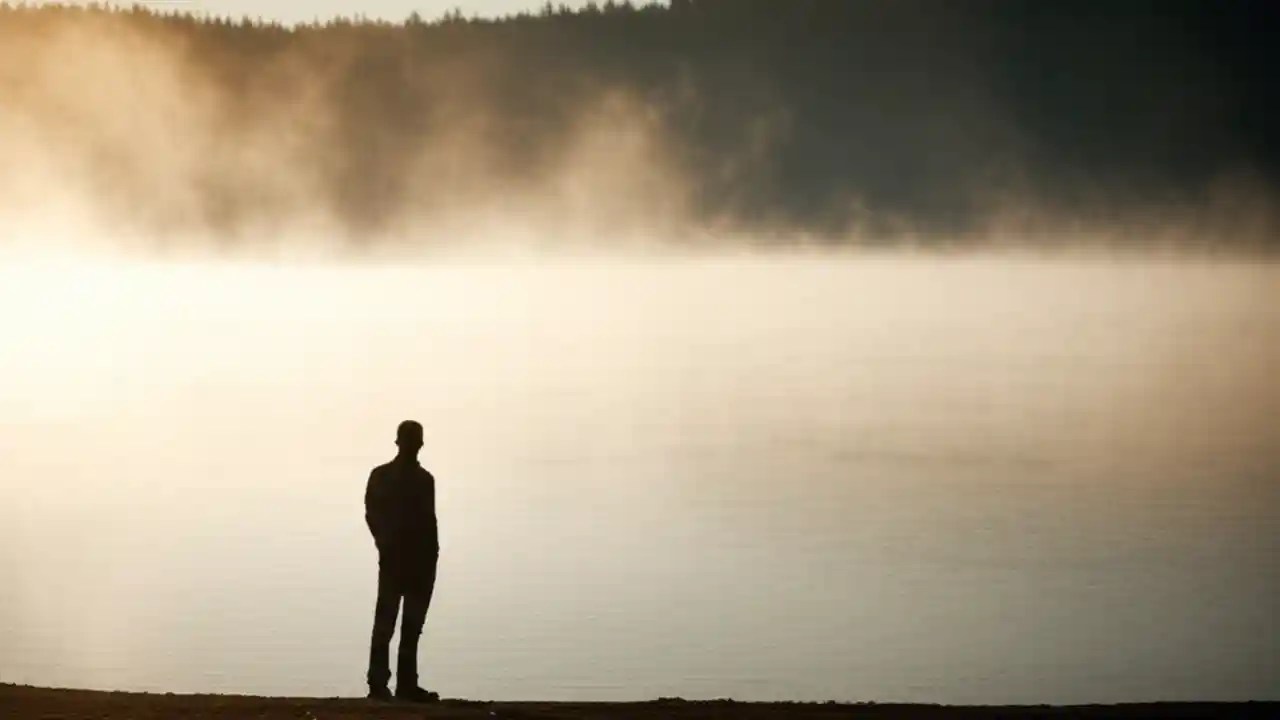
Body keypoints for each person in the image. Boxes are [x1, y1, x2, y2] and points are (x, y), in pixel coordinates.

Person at [364, 420, 440, 702]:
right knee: (388, 623)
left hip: (417, 561)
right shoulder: (383, 476)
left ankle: (403, 685)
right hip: (398, 560)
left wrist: (432, 559)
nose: (414, 446)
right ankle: (380, 683)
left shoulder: (423, 480)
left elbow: (429, 523)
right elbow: (372, 514)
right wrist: (385, 544)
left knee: (409, 627)